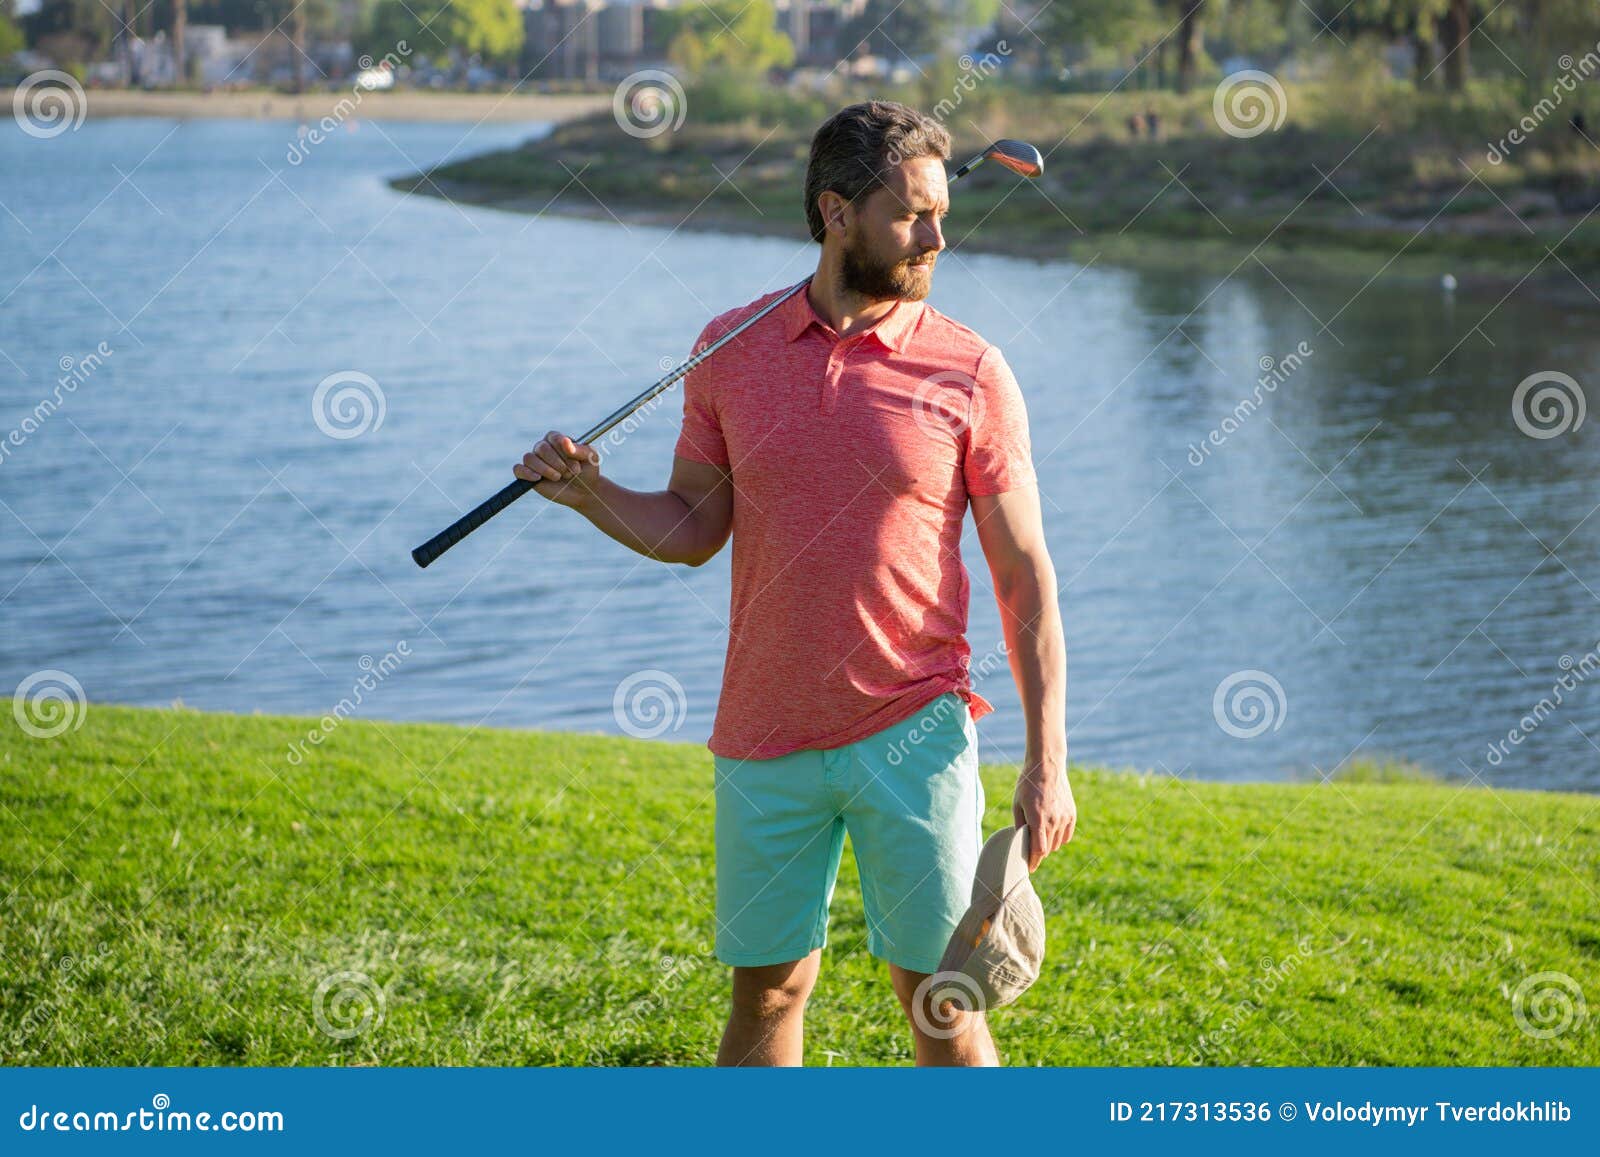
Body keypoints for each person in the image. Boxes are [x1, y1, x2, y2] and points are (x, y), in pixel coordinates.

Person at [512, 100, 1075, 1067]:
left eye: (943, 213)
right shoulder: (730, 348)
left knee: (941, 998)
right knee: (768, 992)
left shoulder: (971, 369)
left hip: (913, 729)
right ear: (835, 212)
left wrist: (1046, 760)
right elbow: (693, 527)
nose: (937, 239)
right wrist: (590, 495)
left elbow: (1024, 577)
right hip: (763, 732)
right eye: (913, 216)